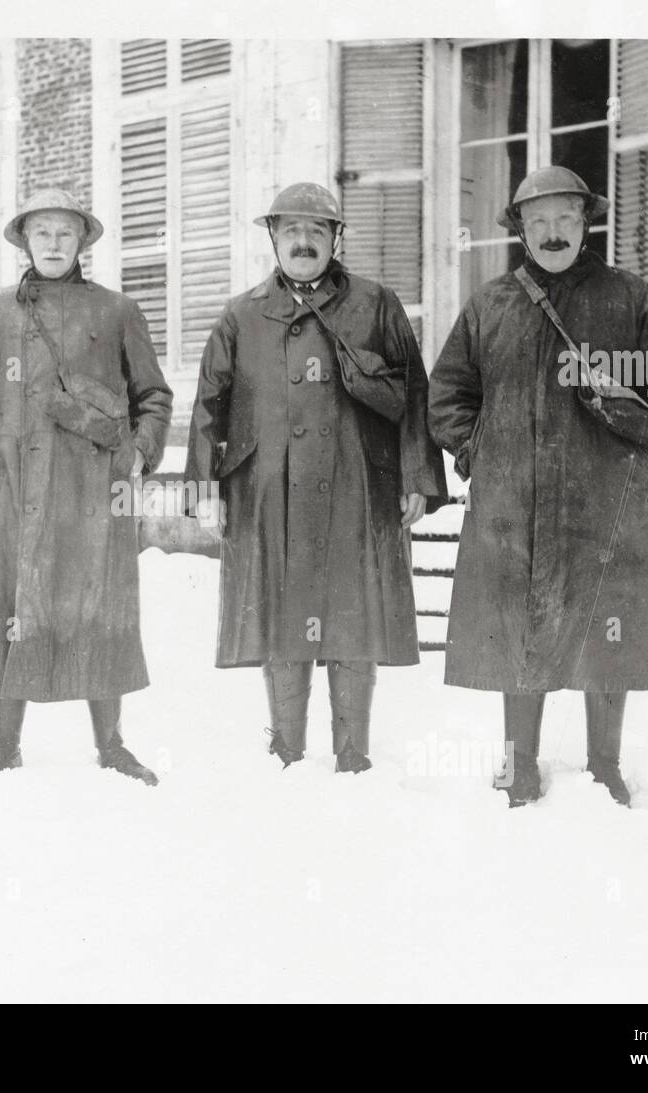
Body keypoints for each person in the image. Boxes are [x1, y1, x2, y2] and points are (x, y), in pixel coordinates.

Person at [427, 165, 648, 807]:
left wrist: (645, 439)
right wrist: (477, 452)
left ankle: (604, 764)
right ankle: (520, 764)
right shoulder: (489, 305)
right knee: (521, 626)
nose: (553, 233)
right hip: (515, 499)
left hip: (608, 497)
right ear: (520, 230)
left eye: (566, 219)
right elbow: (448, 394)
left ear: (586, 223)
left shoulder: (627, 297)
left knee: (611, 625)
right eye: (539, 221)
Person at [184, 182, 447, 773]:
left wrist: (416, 477)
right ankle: (288, 753)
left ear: (336, 239)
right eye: (292, 231)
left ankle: (353, 756)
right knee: (283, 616)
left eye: (317, 231)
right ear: (273, 239)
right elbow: (209, 405)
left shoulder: (376, 304)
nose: (304, 242)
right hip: (267, 489)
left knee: (353, 616)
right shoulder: (241, 314)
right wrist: (204, 489)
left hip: (358, 486)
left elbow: (415, 395)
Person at [0, 189, 173, 785]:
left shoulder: (117, 311)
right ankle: (4, 743)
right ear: (24, 241)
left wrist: (141, 453)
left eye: (63, 233)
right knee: (14, 600)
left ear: (81, 243)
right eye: (40, 233)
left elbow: (153, 396)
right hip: (21, 489)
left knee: (102, 604)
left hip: (97, 487)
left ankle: (112, 744)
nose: (51, 243)